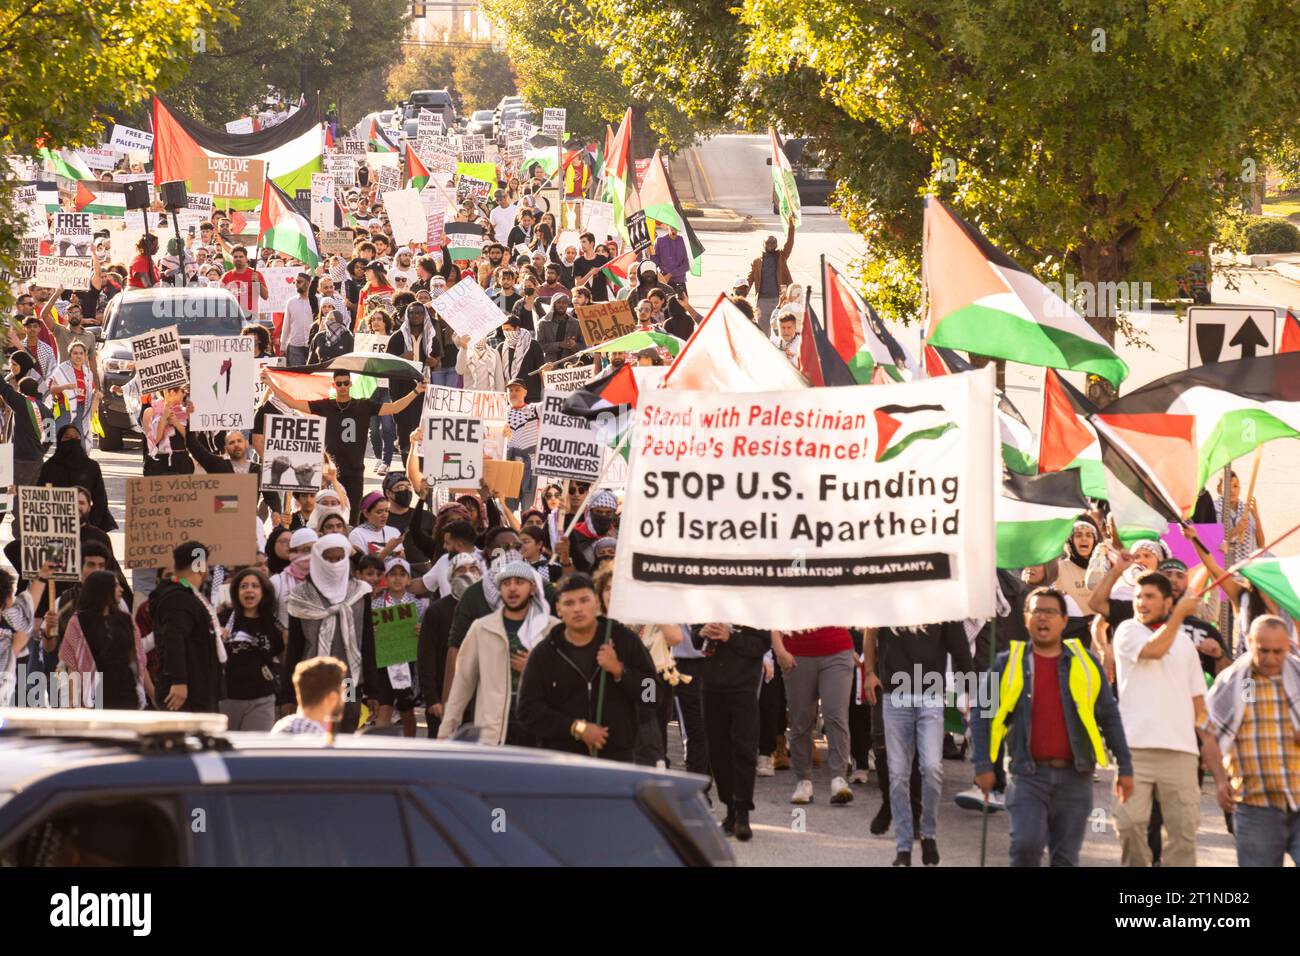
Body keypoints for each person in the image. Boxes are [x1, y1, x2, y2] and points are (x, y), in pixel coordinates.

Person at [971, 587, 1135, 866]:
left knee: (1064, 858)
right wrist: (983, 765)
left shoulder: (1086, 663)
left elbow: (1109, 716)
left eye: (1050, 612)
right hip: (1026, 776)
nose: (1043, 618)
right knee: (1025, 846)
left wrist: (1125, 767)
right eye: (1036, 611)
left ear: (1063, 620)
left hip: (1075, 777)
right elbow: (982, 716)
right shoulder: (1006, 663)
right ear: (1026, 618)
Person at [1109, 571, 1208, 867]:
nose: (1141, 602)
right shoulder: (1127, 631)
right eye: (1138, 596)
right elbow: (1153, 650)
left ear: (1167, 601)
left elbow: (1199, 705)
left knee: (1183, 833)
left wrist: (1213, 751)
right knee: (1128, 823)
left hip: (1181, 753)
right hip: (1134, 751)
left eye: (1150, 596)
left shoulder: (1186, 646)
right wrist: (1179, 614)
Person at [864, 621, 975, 867]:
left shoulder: (942, 602)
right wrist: (869, 672)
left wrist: (971, 691)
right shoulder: (889, 591)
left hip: (931, 695)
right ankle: (903, 848)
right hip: (894, 694)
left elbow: (960, 648)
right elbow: (870, 630)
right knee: (899, 774)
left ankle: (928, 834)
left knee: (932, 767)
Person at [517, 573, 656, 762]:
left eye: (584, 600)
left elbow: (652, 694)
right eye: (569, 603)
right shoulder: (546, 652)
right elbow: (528, 710)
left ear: (597, 603)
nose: (577, 609)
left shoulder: (624, 640)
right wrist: (576, 728)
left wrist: (620, 672)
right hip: (562, 761)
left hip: (619, 758)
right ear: (558, 609)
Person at [1198, 616, 1300, 867]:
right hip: (1255, 807)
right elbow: (1208, 730)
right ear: (1249, 642)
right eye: (1263, 650)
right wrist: (1221, 782)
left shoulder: (1297, 677)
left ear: (1288, 646)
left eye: (1278, 651)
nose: (1271, 658)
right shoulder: (1235, 683)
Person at [261, 368, 425, 524]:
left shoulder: (363, 405)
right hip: (330, 472)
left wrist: (416, 391)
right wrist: (271, 384)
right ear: (333, 385)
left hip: (355, 470)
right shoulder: (325, 405)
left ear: (350, 384)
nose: (343, 387)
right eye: (339, 384)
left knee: (353, 516)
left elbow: (395, 407)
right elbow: (293, 403)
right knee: (328, 515)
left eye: (346, 383)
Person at [439, 559, 556, 746]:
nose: (512, 588)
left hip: (540, 730)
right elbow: (463, 682)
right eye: (506, 583)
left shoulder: (552, 629)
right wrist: (446, 731)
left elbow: (565, 681)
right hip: (493, 732)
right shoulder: (482, 628)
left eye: (519, 582)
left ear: (532, 588)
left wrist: (533, 668)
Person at [280, 534, 379, 733]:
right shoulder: (301, 597)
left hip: (350, 679)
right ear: (318, 560)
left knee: (348, 722)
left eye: (338, 559)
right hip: (312, 681)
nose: (334, 564)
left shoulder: (360, 593)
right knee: (314, 732)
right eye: (329, 559)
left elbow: (366, 641)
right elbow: (295, 647)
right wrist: (288, 695)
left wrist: (374, 691)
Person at [691, 621, 770, 840]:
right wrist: (702, 632)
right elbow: (693, 638)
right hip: (711, 685)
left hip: (743, 687)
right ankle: (730, 809)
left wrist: (730, 637)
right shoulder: (708, 600)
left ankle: (743, 811)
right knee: (717, 750)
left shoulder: (753, 607)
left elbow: (762, 644)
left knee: (744, 748)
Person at [59, 570, 152, 709]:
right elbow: (72, 665)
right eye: (115, 585)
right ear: (102, 589)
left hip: (127, 693)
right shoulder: (78, 622)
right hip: (96, 696)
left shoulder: (126, 619)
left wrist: (153, 694)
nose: (121, 589)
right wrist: (74, 703)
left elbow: (139, 660)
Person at [152, 541, 224, 714]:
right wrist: (179, 682)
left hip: (196, 690)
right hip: (186, 696)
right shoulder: (178, 598)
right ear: (200, 566)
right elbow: (174, 637)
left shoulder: (184, 594)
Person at [218, 567, 284, 731]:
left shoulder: (273, 624)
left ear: (263, 592)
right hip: (227, 698)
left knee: (256, 750)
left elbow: (280, 657)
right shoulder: (223, 619)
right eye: (244, 586)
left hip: (262, 699)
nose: (249, 590)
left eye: (255, 586)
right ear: (236, 592)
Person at [37, 424, 115, 532]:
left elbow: (100, 500)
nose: (72, 441)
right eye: (67, 438)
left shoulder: (91, 467)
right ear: (60, 441)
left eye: (76, 438)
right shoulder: (49, 467)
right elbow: (39, 497)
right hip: (56, 528)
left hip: (85, 526)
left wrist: (91, 526)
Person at [741, 219, 795, 335]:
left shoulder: (781, 256)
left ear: (776, 245)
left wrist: (791, 226)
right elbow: (749, 281)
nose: (770, 245)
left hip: (779, 301)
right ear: (763, 245)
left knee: (780, 333)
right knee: (762, 334)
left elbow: (789, 243)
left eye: (772, 243)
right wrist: (740, 294)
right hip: (762, 303)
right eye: (768, 243)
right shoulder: (756, 262)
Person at [271, 656, 348, 735]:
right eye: (342, 693)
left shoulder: (280, 726)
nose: (344, 700)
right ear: (333, 698)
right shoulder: (316, 736)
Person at [498, 316, 544, 402]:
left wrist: (547, 389)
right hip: (510, 397)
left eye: (508, 330)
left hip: (531, 396)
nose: (506, 333)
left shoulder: (532, 344)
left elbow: (541, 369)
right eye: (504, 330)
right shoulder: (501, 348)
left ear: (517, 328)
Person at [349, 491, 405, 560]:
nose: (384, 515)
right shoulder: (357, 534)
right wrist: (388, 549)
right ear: (366, 513)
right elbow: (366, 567)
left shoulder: (394, 531)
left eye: (387, 511)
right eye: (379, 512)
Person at [280, 272, 315, 366]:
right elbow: (286, 325)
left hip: (313, 346)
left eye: (299, 282)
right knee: (296, 375)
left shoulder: (316, 301)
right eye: (295, 282)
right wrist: (283, 346)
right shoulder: (291, 302)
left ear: (308, 283)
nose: (296, 284)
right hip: (295, 346)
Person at [220, 245, 269, 314]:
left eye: (241, 256)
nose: (238, 259)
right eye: (235, 257)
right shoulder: (226, 276)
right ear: (232, 259)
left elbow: (265, 296)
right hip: (231, 316)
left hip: (251, 317)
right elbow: (220, 299)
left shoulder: (256, 274)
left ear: (246, 259)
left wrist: (257, 282)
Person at [651, 223, 690, 291]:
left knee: (683, 301)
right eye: (672, 227)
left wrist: (670, 274)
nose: (673, 230)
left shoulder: (684, 242)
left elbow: (687, 265)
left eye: (675, 227)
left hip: (679, 281)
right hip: (664, 281)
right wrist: (649, 250)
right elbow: (654, 262)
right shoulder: (660, 241)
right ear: (667, 226)